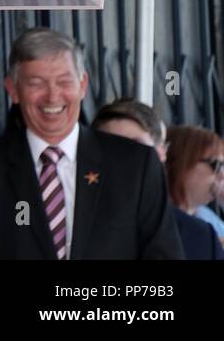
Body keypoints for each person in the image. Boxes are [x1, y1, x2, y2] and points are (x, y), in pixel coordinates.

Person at [0, 29, 182, 259]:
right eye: (36, 83)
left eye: (64, 81)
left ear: (83, 85)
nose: (52, 96)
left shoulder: (136, 165)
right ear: (13, 90)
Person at [93, 99, 222, 259]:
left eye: (135, 147)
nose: (122, 158)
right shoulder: (66, 222)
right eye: (110, 147)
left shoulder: (200, 237)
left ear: (161, 154)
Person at [164, 124, 224, 246]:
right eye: (216, 165)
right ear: (182, 164)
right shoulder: (159, 221)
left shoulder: (204, 215)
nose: (222, 175)